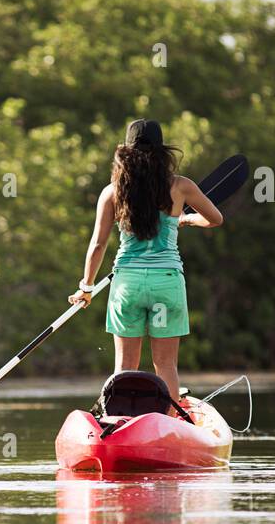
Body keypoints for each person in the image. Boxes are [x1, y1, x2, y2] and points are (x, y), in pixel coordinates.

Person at [68, 120, 224, 404]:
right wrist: (185, 218)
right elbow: (216, 219)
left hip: (127, 287)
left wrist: (86, 287)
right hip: (166, 284)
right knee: (166, 366)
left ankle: (119, 417)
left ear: (125, 153)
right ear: (162, 152)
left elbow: (98, 244)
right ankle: (170, 423)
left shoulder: (112, 192)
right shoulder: (181, 186)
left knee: (125, 368)